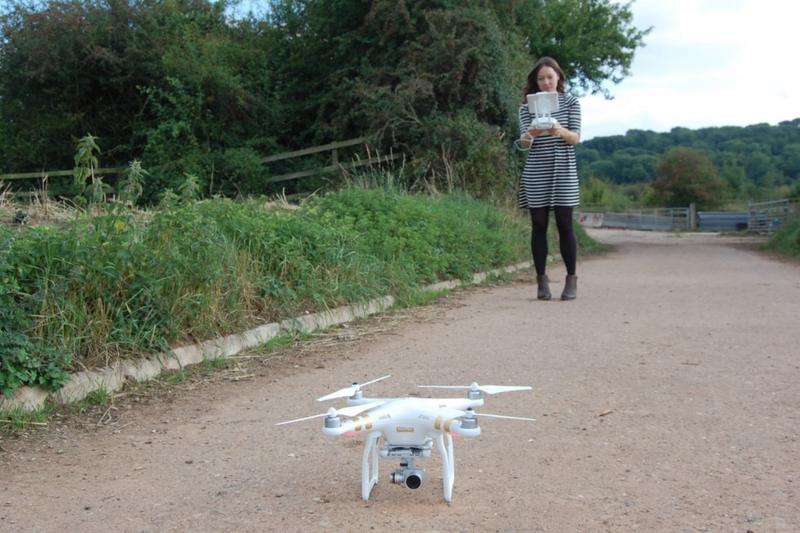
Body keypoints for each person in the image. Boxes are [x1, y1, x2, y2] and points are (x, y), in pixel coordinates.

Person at [518, 56, 581, 301]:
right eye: (541, 78)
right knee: (539, 225)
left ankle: (571, 279)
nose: (546, 82)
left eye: (550, 77)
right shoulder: (525, 108)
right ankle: (541, 281)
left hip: (564, 168)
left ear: (558, 78)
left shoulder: (571, 102)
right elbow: (523, 145)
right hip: (537, 170)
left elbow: (575, 137)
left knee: (565, 224)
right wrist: (530, 133)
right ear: (536, 81)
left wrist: (560, 131)